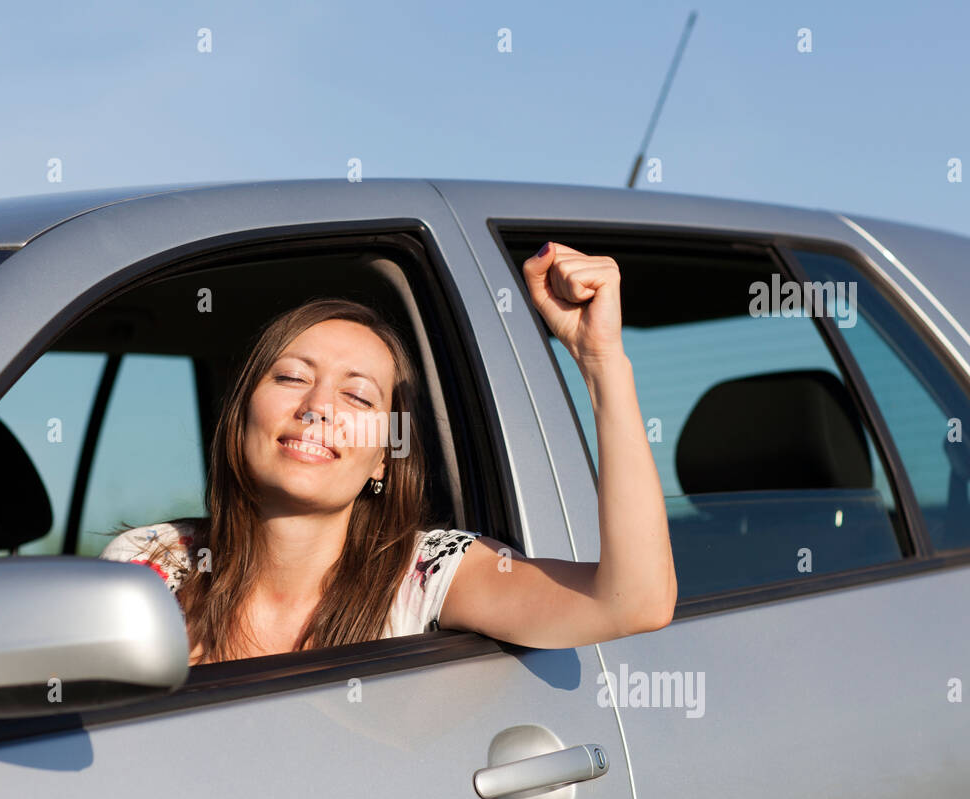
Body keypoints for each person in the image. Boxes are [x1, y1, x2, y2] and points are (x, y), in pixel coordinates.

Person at [100, 242, 676, 665]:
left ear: (383, 457)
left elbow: (635, 602)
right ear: (239, 419)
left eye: (357, 395)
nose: (318, 407)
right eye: (291, 378)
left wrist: (602, 364)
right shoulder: (153, 563)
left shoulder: (423, 575)